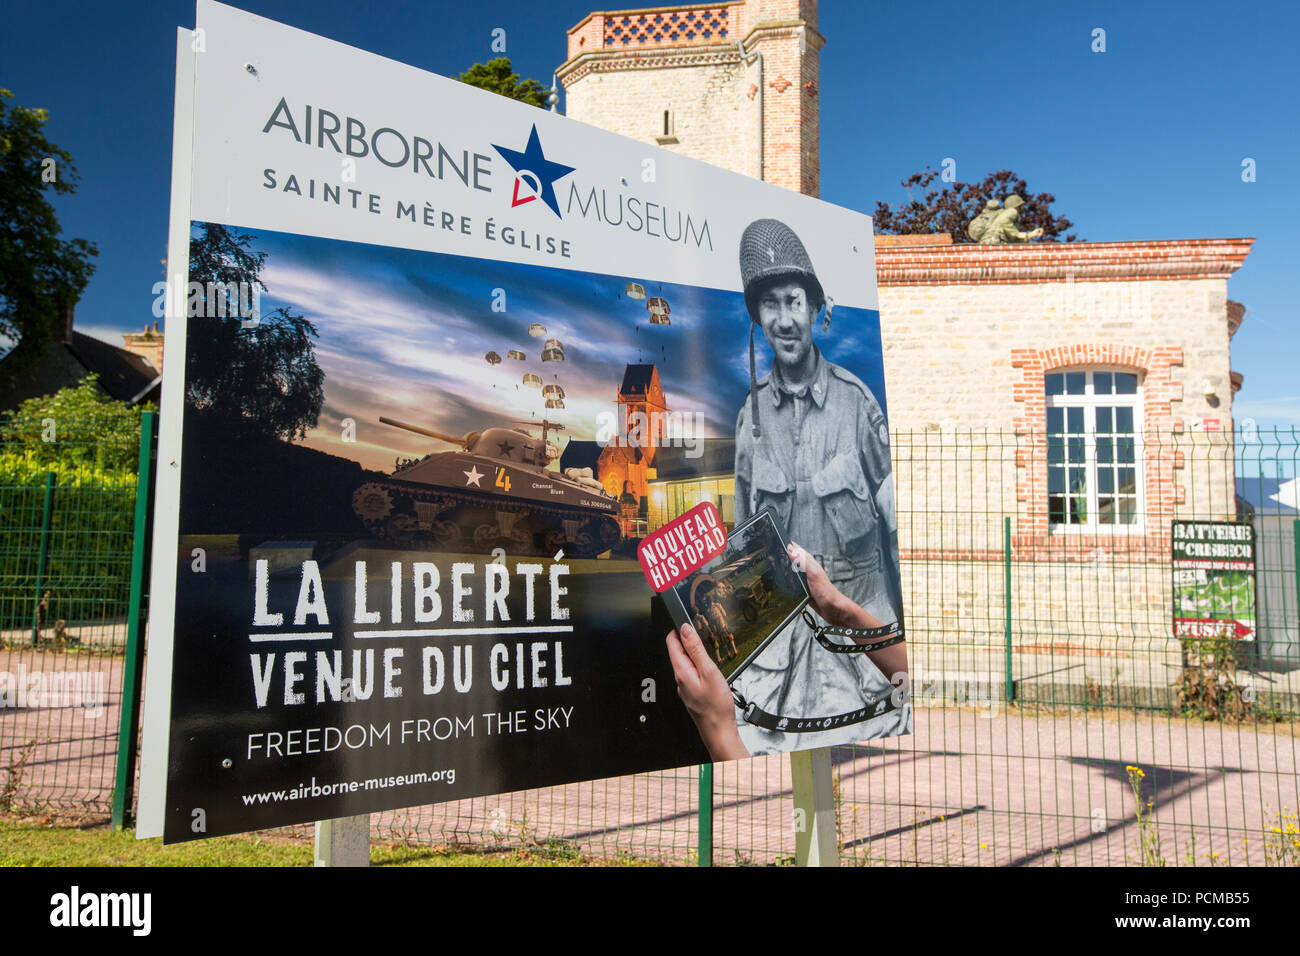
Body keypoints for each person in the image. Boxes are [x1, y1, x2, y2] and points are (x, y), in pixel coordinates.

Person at [667, 217, 909, 756]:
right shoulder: (750, 416)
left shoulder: (857, 404)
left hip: (858, 650)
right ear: (757, 317)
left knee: (871, 781)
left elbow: (895, 540)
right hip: (778, 656)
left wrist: (899, 646)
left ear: (815, 308)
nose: (784, 318)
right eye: (770, 305)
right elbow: (744, 541)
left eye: (794, 301)